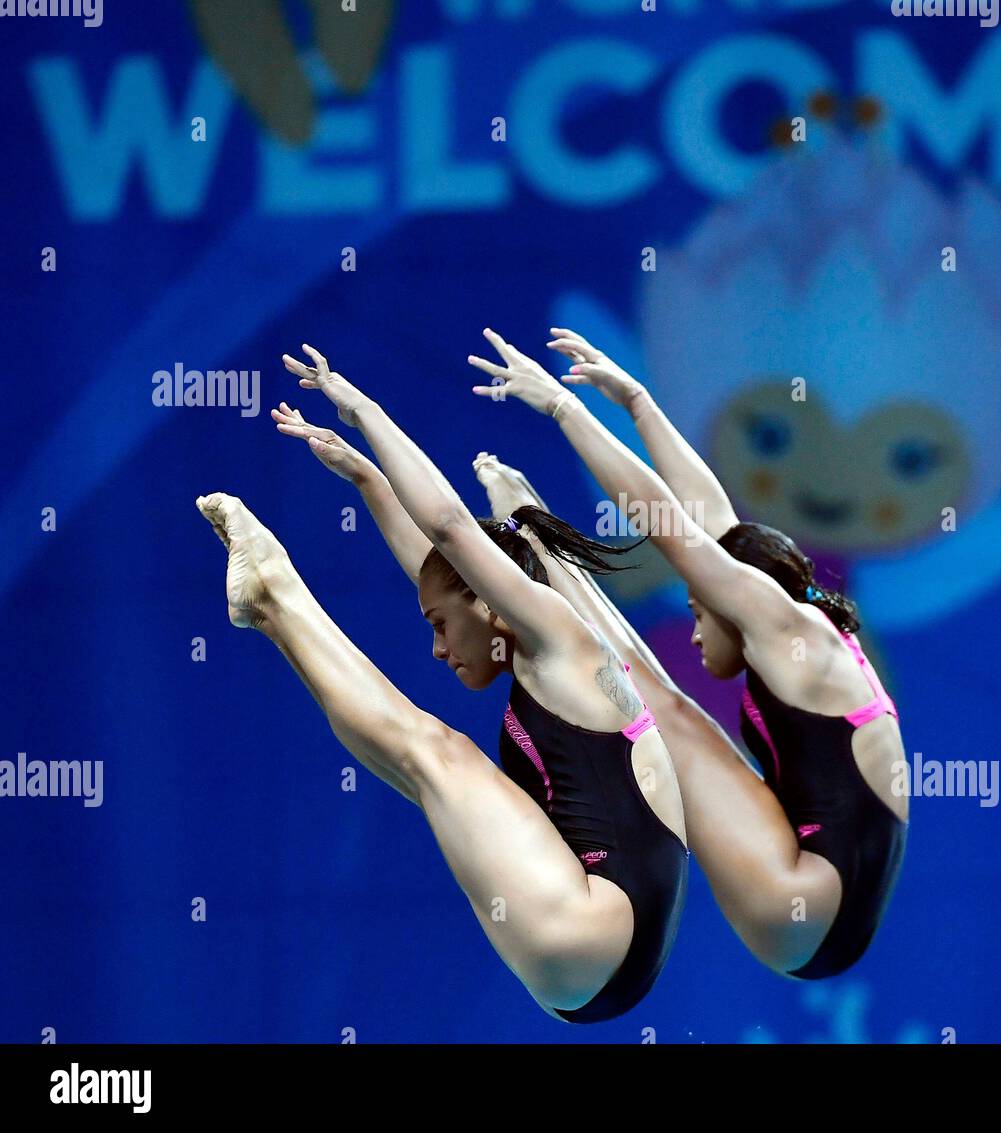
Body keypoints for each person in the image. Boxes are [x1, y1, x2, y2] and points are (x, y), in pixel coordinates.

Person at [195, 340, 687, 1024]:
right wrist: (368, 480)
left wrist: (363, 408)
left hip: (592, 930)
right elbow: (439, 567)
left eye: (439, 626)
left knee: (438, 752)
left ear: (489, 605)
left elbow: (452, 529)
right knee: (422, 769)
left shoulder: (560, 634)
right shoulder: (538, 653)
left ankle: (274, 592)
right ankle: (273, 611)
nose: (435, 649)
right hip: (600, 951)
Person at [468, 328, 907, 979]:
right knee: (663, 699)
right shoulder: (788, 612)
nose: (697, 632)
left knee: (663, 709)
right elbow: (713, 523)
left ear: (735, 605)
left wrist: (566, 411)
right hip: (834, 902)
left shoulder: (790, 629)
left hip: (806, 903)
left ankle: (533, 537)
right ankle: (537, 538)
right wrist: (639, 401)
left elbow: (672, 529)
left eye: (701, 613)